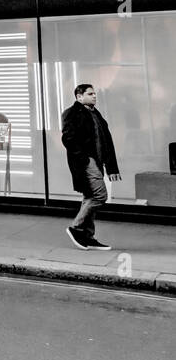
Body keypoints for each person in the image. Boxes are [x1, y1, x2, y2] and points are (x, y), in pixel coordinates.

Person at [61, 83, 119, 251]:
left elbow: (106, 141)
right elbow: (68, 139)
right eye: (90, 93)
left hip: (97, 161)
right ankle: (76, 227)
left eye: (95, 93)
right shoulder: (72, 113)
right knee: (100, 196)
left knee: (90, 196)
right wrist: (84, 159)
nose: (94, 96)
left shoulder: (95, 114)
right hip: (87, 161)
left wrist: (111, 166)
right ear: (79, 97)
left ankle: (87, 236)